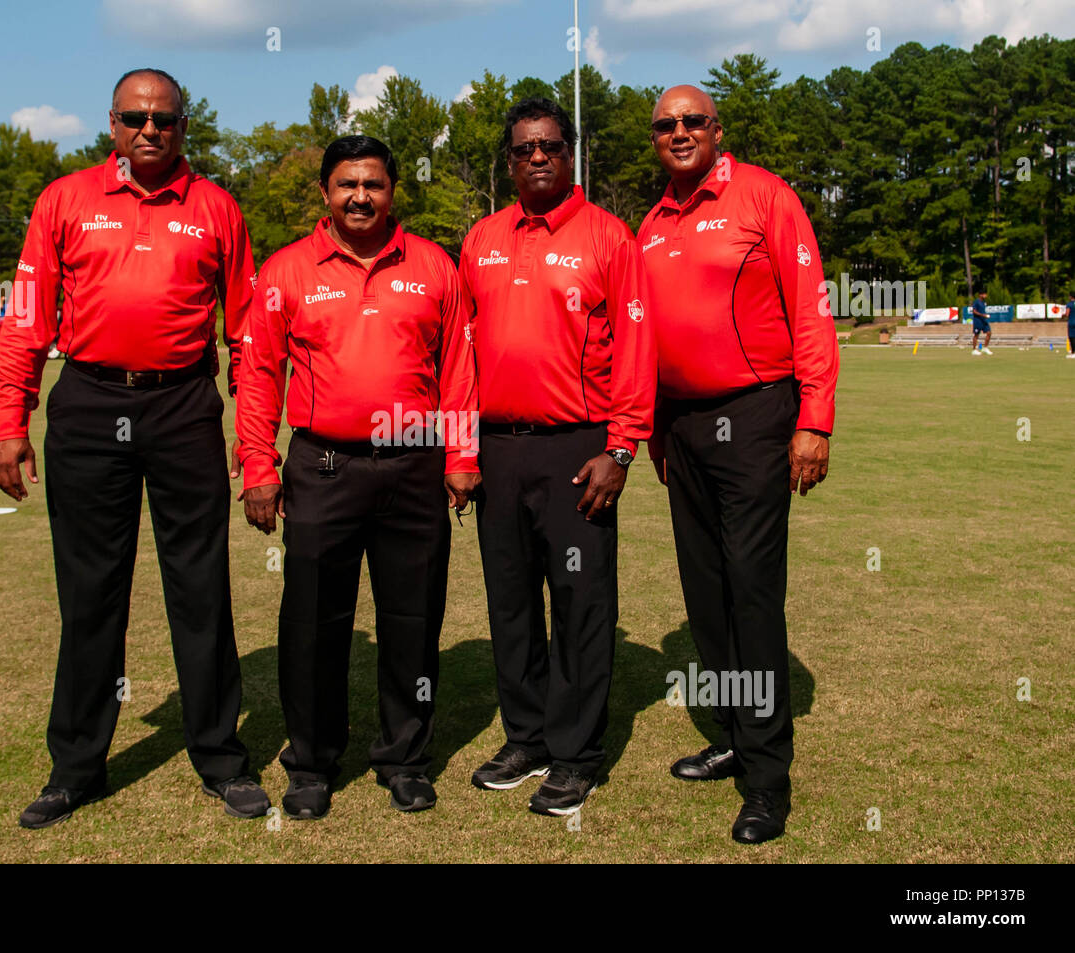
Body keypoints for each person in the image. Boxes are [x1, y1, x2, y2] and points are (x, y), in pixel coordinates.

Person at [0, 67, 268, 828]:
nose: (150, 131)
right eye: (134, 118)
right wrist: (8, 421)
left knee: (200, 589)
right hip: (86, 402)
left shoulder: (216, 208)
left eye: (165, 120)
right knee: (90, 596)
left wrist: (252, 438)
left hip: (180, 405)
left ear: (185, 127)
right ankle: (75, 767)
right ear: (111, 124)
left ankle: (219, 756)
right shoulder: (64, 201)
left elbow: (245, 333)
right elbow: (24, 319)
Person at [610, 85, 839, 844]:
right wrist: (650, 431)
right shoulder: (649, 222)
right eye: (664, 125)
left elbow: (811, 306)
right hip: (682, 430)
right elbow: (643, 338)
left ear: (717, 128)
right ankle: (736, 734)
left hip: (757, 413)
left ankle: (767, 778)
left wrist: (815, 419)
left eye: (692, 121)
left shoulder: (763, 196)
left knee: (750, 593)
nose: (679, 133)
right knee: (705, 595)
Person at [235, 135, 480, 820]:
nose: (360, 196)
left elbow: (460, 371)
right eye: (346, 184)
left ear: (392, 191)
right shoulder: (286, 270)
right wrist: (258, 463)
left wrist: (461, 458)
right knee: (313, 622)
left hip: (414, 464)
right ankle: (311, 763)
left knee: (413, 619)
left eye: (373, 183)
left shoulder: (434, 266)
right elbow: (257, 374)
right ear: (325, 192)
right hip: (323, 465)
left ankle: (405, 757)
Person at [458, 98, 633, 817]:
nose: (538, 157)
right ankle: (526, 736)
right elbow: (458, 357)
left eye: (551, 146)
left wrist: (620, 447)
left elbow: (636, 351)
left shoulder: (608, 237)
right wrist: (461, 451)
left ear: (571, 154)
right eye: (525, 148)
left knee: (581, 604)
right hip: (498, 448)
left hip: (577, 447)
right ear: (509, 160)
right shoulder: (480, 240)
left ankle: (576, 753)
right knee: (510, 602)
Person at [1064, 291, 1075, 359]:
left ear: (1071, 296)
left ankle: (1073, 352)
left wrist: (1063, 315)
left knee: (1072, 337)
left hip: (1071, 322)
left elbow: (1067, 314)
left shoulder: (1069, 304)